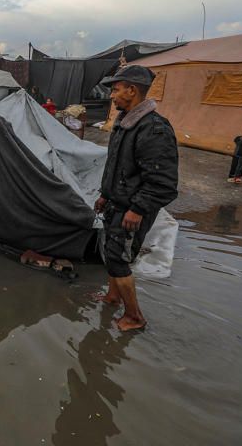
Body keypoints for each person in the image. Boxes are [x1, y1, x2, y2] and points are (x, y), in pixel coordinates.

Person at [90, 65, 179, 331]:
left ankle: (134, 317)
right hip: (117, 203)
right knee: (112, 253)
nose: (112, 95)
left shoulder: (154, 129)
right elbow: (118, 168)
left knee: (119, 259)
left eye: (116, 90)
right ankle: (113, 296)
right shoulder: (125, 123)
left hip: (132, 209)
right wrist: (105, 195)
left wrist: (138, 209)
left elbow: (163, 183)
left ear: (133, 90)